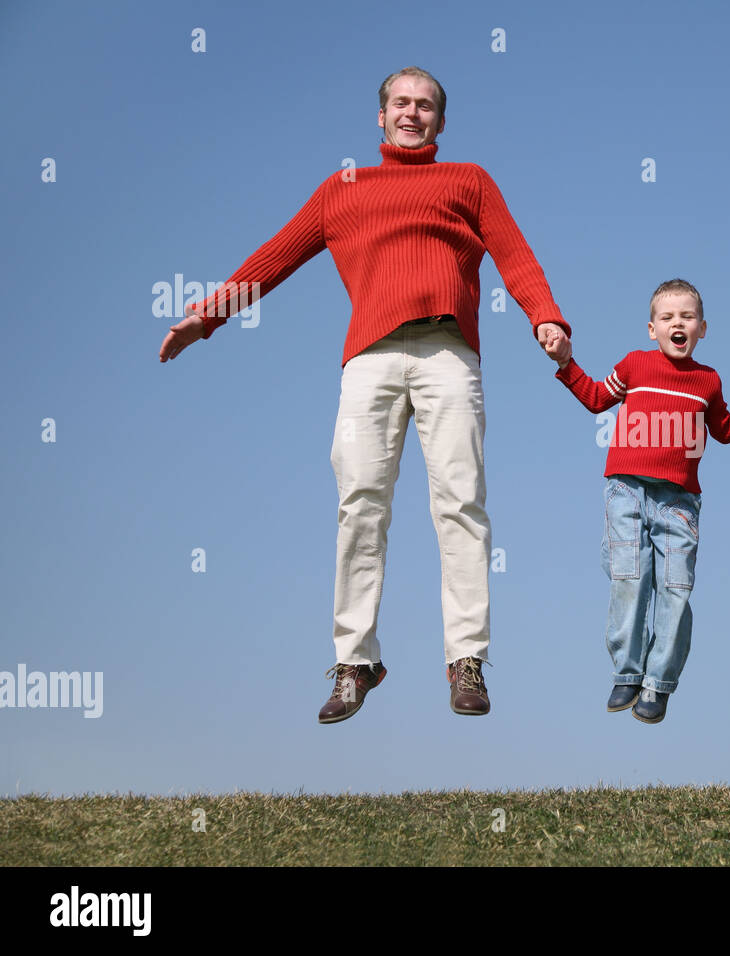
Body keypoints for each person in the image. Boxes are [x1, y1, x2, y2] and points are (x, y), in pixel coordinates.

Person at [157, 67, 573, 721]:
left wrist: (544, 314)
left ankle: (467, 660)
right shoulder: (343, 189)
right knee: (360, 506)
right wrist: (207, 316)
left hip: (447, 353)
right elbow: (273, 259)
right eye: (401, 103)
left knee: (462, 504)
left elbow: (515, 255)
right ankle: (355, 663)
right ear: (380, 117)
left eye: (426, 105)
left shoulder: (469, 181)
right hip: (369, 361)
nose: (413, 113)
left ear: (441, 120)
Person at [544, 279, 730, 723]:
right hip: (626, 490)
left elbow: (725, 429)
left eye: (687, 317)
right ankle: (627, 672)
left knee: (674, 590)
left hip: (678, 501)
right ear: (651, 328)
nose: (678, 323)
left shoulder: (707, 380)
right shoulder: (635, 365)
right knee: (629, 579)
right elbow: (597, 397)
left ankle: (658, 683)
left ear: (703, 329)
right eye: (668, 317)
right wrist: (565, 361)